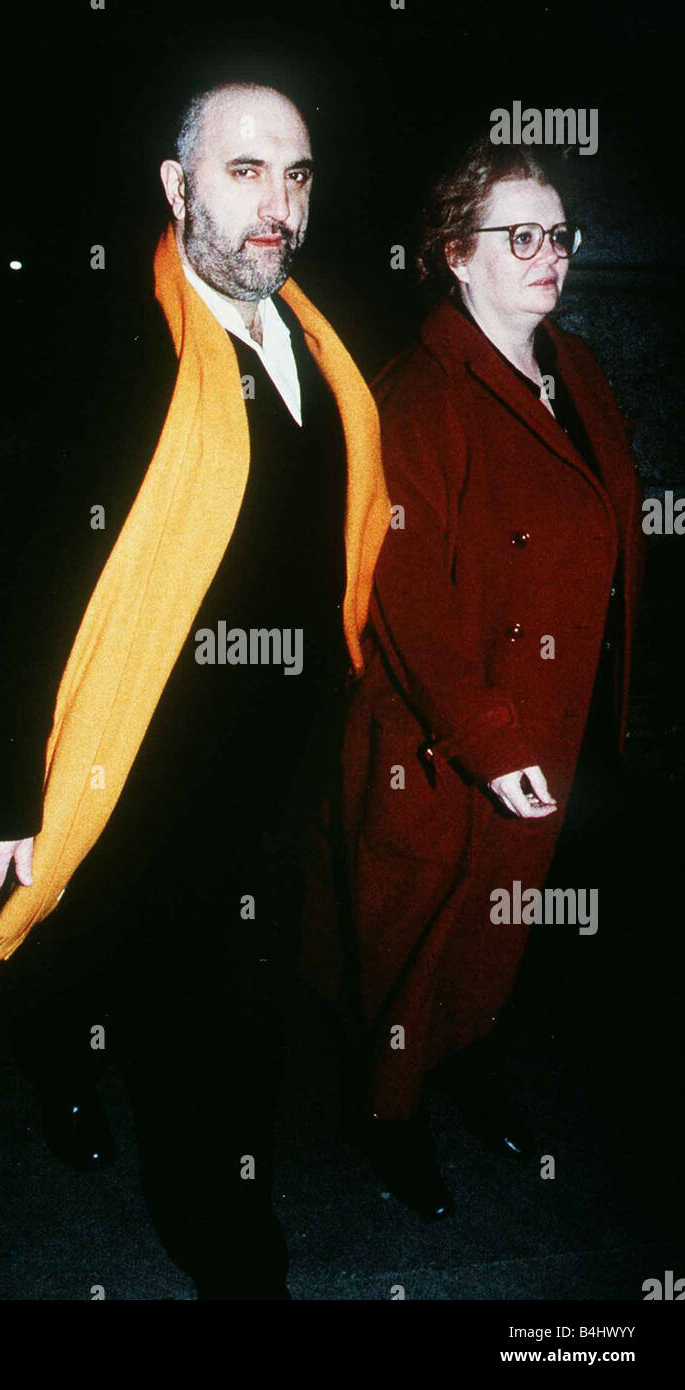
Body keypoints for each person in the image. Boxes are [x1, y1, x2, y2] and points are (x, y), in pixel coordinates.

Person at [0, 81, 390, 1299]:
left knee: (231, 1018)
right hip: (123, 757)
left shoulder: (329, 350)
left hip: (266, 777)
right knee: (82, 954)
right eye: (243, 172)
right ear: (177, 188)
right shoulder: (89, 336)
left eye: (298, 174)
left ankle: (229, 1233)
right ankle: (67, 1066)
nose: (277, 206)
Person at [340, 139, 644, 1217]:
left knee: (497, 927)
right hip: (449, 731)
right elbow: (403, 592)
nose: (548, 253)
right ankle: (387, 1117)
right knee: (412, 934)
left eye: (558, 234)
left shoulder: (575, 369)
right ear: (456, 256)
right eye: (520, 235)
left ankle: (465, 1063)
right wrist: (489, 734)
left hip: (549, 718)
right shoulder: (418, 393)